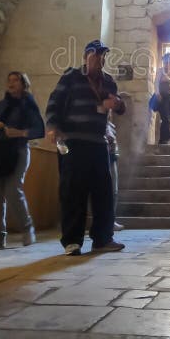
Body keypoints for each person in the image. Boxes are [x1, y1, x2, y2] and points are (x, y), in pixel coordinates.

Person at [46, 39, 126, 256]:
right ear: (85, 56)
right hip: (73, 142)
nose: (99, 60)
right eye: (95, 55)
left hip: (98, 142)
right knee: (73, 192)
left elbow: (120, 106)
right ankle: (72, 241)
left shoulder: (108, 81)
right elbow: (54, 102)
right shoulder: (71, 77)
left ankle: (102, 239)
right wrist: (52, 126)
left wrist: (117, 104)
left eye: (102, 56)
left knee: (103, 192)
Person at [0, 72, 45, 250]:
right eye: (8, 80)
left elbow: (39, 129)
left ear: (24, 84)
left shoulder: (29, 105)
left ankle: (27, 228)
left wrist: (20, 132)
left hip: (18, 150)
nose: (11, 83)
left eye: (15, 80)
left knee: (13, 189)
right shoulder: (0, 106)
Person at [155, 53, 170, 144]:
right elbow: (156, 83)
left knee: (168, 118)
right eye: (169, 61)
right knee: (165, 118)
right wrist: (158, 94)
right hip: (162, 97)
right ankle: (164, 139)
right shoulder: (160, 71)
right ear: (165, 61)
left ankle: (165, 139)